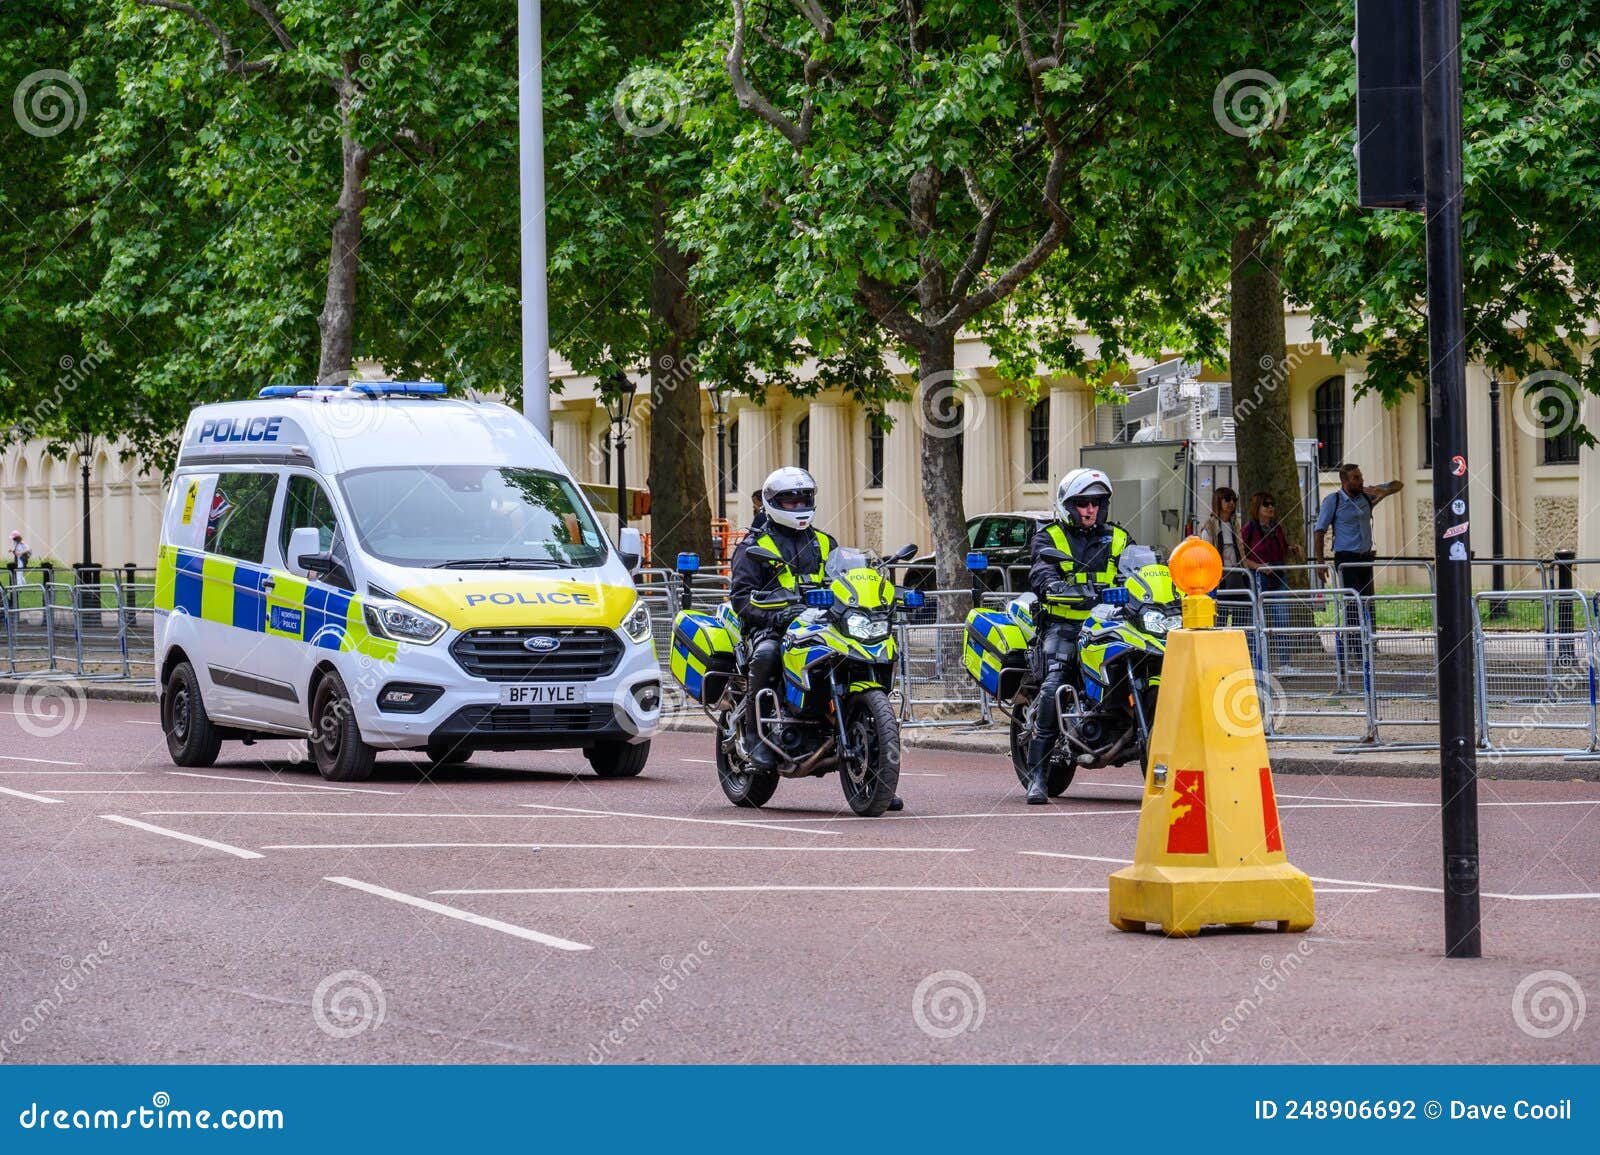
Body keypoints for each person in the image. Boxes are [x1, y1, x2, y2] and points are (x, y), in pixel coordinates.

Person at [729, 468, 901, 808]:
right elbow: (741, 599)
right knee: (767, 654)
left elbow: (845, 578)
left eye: (803, 498)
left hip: (820, 623)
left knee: (858, 655)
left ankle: (879, 778)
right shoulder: (753, 546)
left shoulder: (824, 542)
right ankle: (754, 737)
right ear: (771, 503)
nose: (797, 505)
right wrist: (773, 614)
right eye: (789, 500)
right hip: (770, 625)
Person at [1022, 468, 1133, 805]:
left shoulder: (1118, 538)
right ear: (1068, 505)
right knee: (1054, 684)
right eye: (1083, 502)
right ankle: (1037, 774)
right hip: (1064, 626)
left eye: (1098, 503)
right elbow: (1040, 569)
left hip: (1110, 624)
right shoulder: (1049, 537)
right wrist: (1052, 585)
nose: (1091, 509)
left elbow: (1138, 569)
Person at [1314, 463, 1403, 679]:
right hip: (1346, 557)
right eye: (1356, 478)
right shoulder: (1333, 501)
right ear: (1345, 481)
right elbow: (1319, 530)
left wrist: (1381, 490)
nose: (1360, 480)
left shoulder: (1367, 497)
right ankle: (1354, 647)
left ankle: (1369, 642)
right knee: (1352, 603)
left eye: (1361, 476)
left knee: (1368, 601)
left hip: (1365, 557)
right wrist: (1319, 561)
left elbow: (1398, 485)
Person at [1241, 492, 1302, 669]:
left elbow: (1283, 549)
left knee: (1282, 619)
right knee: (1257, 621)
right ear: (1257, 507)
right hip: (1259, 577)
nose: (1270, 507)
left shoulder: (1277, 527)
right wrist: (1259, 567)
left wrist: (1293, 550)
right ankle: (1253, 663)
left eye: (1272, 504)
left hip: (1278, 575)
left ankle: (1285, 664)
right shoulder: (1248, 529)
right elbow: (1242, 556)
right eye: (1266, 504)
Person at [1199, 487, 1249, 627]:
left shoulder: (1235, 524)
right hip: (1219, 579)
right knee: (1219, 618)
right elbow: (1206, 553)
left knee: (1241, 619)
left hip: (1238, 575)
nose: (1231, 502)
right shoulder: (1209, 526)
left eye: (1234, 499)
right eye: (1227, 499)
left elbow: (1240, 550)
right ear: (1218, 501)